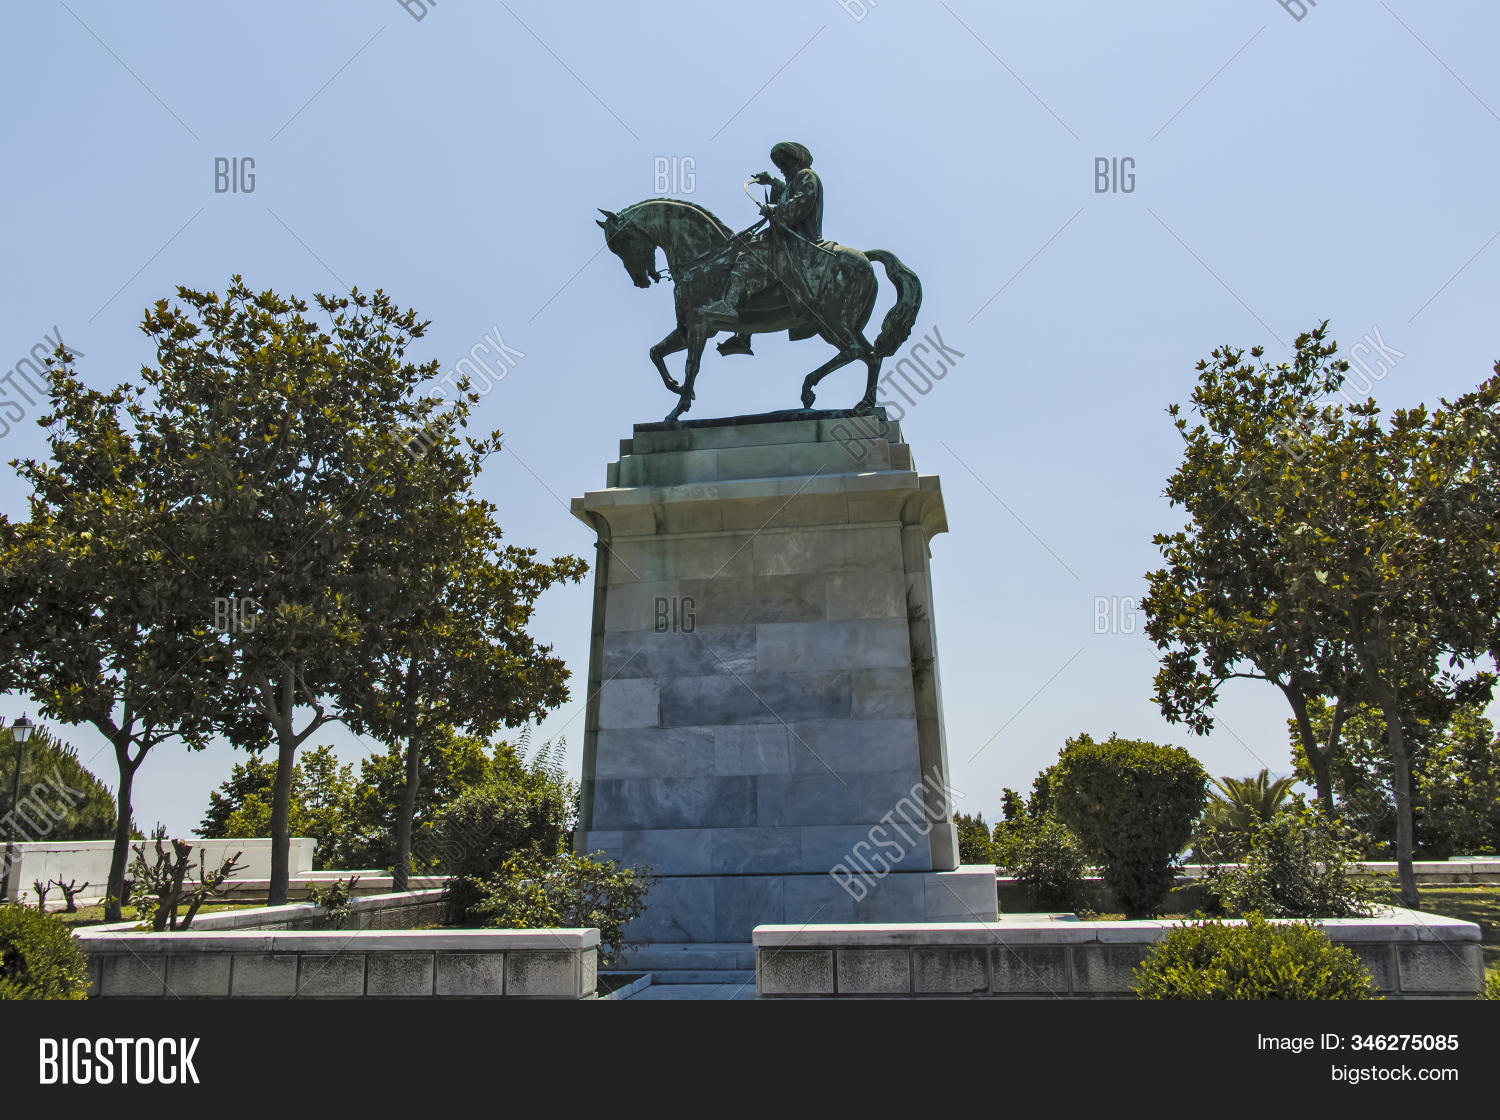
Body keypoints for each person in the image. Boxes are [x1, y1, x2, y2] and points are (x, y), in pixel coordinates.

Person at [704, 141, 824, 355]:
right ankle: (743, 332)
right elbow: (787, 192)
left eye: (785, 164)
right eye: (781, 166)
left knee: (750, 255)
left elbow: (801, 202)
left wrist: (776, 210)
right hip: (784, 237)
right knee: (742, 243)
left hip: (799, 240)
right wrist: (771, 182)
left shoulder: (807, 176)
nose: (783, 169)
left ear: (796, 161)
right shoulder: (795, 179)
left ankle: (728, 307)